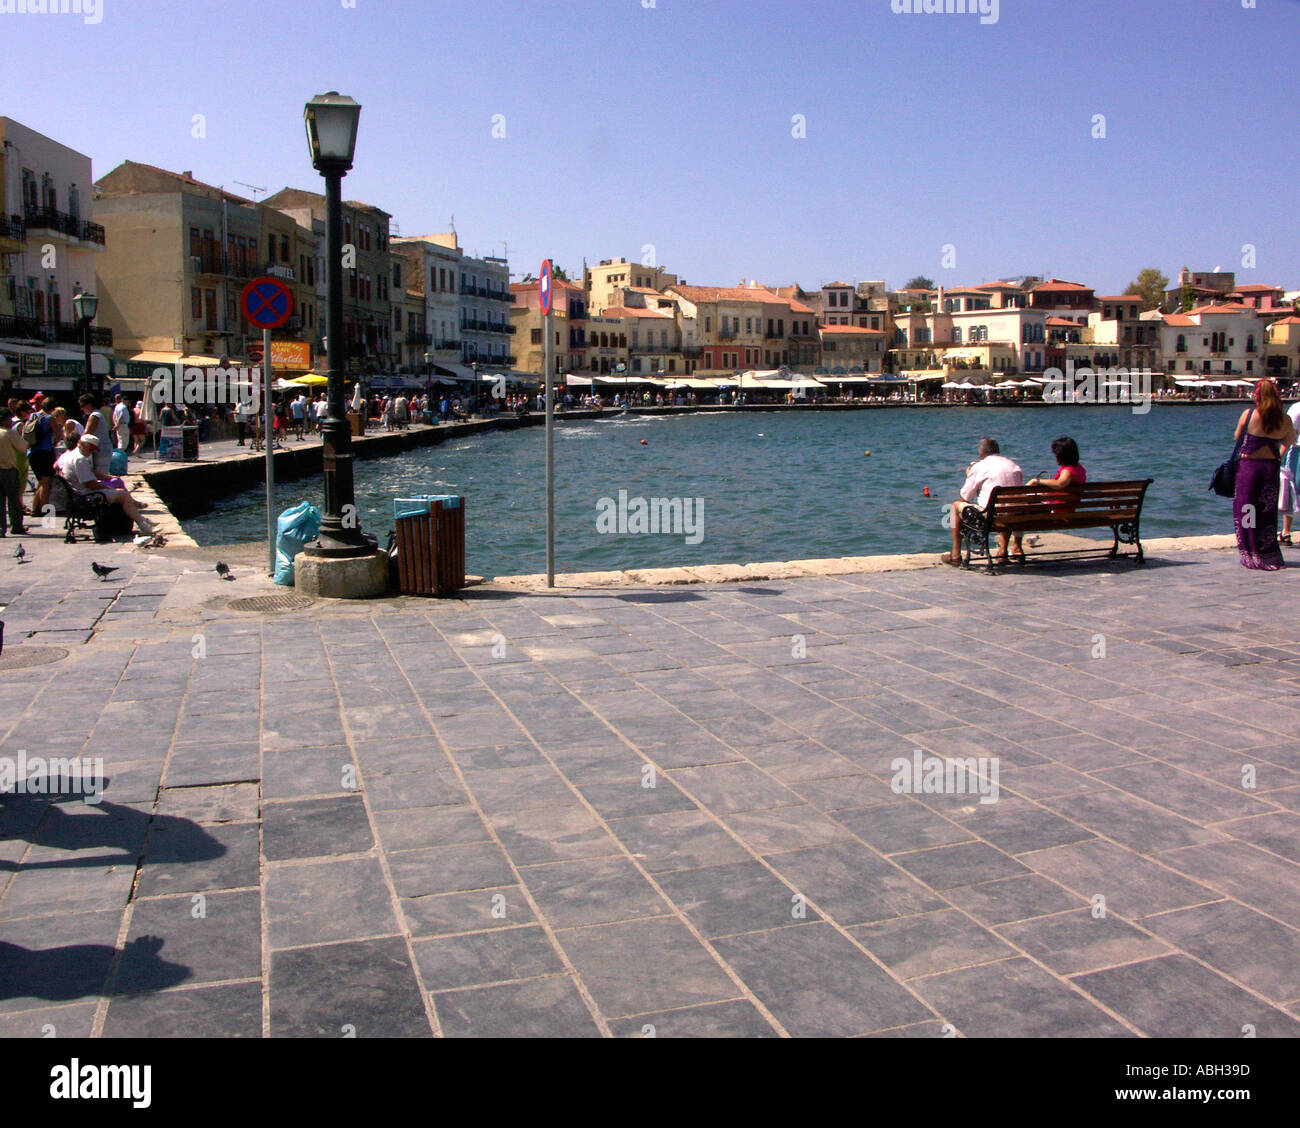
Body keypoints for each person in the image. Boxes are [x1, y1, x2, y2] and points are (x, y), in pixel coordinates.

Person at [1233, 378, 1297, 571]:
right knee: (1266, 512)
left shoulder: (1250, 414)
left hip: (1249, 467)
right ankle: (1267, 552)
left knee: (1246, 510)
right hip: (1270, 467)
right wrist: (1277, 450)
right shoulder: (1284, 419)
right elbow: (1290, 440)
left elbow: (1237, 436)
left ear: (1258, 394)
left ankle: (1250, 551)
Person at [941, 437, 1023, 566]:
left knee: (955, 507)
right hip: (1015, 516)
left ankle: (955, 554)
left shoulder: (979, 467)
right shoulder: (1014, 466)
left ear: (981, 454)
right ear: (998, 451)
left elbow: (965, 496)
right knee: (1008, 507)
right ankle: (1002, 551)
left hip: (990, 516)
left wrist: (969, 475)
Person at [57, 433, 154, 534]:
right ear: (84, 445)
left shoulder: (71, 455)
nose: (92, 452)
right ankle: (143, 525)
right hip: (86, 496)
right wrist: (108, 488)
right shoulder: (80, 459)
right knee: (123, 495)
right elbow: (90, 485)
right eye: (91, 449)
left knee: (120, 492)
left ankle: (143, 521)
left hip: (78, 495)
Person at [24, 395, 57, 516]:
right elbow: (58, 435)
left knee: (41, 481)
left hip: (32, 452)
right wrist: (55, 442)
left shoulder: (33, 415)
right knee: (46, 482)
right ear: (52, 408)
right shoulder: (49, 418)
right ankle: (45, 510)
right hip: (45, 452)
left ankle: (34, 508)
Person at [0, 411, 28, 536]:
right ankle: (16, 525)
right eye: (9, 419)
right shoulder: (9, 433)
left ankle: (1, 528)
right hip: (8, 470)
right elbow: (23, 446)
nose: (11, 421)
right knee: (13, 499)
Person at [1279, 399, 1300, 546]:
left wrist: (1278, 456)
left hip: (1297, 452)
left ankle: (1286, 532)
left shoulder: (1296, 408)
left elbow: (1290, 435)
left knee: (1291, 490)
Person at [79, 394, 113, 477]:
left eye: (82, 406)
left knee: (100, 475)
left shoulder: (94, 416)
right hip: (101, 448)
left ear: (89, 404)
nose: (81, 408)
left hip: (101, 449)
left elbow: (87, 433)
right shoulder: (97, 414)